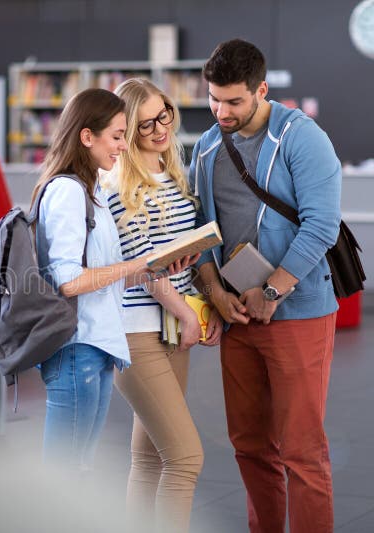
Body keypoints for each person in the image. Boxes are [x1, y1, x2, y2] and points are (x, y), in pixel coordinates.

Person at [189, 39, 342, 533]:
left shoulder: (303, 137)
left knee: (302, 450)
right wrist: (214, 292)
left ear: (262, 89)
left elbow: (322, 226)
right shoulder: (207, 145)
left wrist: (272, 291)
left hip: (297, 312)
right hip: (237, 315)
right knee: (251, 446)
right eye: (214, 98)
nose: (221, 110)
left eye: (234, 101)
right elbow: (200, 229)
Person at [33, 88, 196, 470]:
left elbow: (100, 274)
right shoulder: (68, 191)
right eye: (118, 135)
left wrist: (145, 269)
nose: (124, 146)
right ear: (87, 137)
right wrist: (135, 264)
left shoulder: (90, 191)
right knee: (63, 476)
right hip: (76, 347)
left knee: (78, 469)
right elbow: (68, 280)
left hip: (96, 345)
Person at [100, 77, 222, 533]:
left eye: (164, 114)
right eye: (145, 123)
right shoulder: (116, 183)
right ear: (126, 130)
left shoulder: (173, 175)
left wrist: (194, 303)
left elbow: (169, 256)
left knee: (149, 458)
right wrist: (188, 313)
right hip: (138, 330)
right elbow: (144, 266)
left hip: (172, 325)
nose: (159, 128)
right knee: (187, 457)